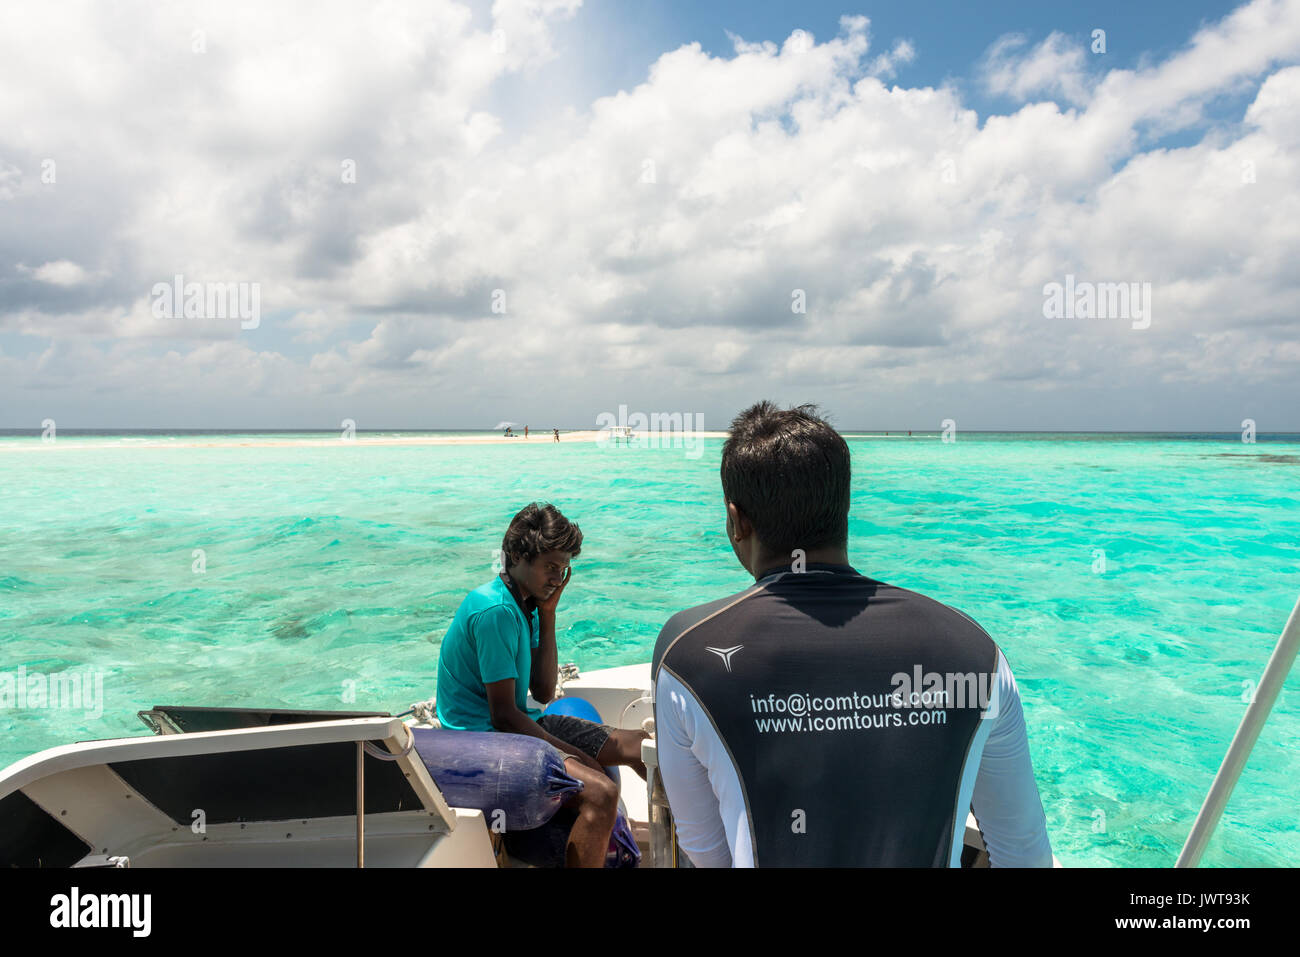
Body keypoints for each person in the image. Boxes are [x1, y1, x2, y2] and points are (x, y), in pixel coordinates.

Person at [652, 401, 1053, 867]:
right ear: (842, 509)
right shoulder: (973, 651)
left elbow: (707, 851)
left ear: (736, 520)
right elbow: (1023, 852)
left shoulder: (688, 653)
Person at [436, 502, 648, 866]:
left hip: (516, 723)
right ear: (517, 556)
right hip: (480, 740)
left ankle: (686, 839)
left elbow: (544, 693)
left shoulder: (525, 604)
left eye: (564, 569)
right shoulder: (496, 611)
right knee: (600, 792)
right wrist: (577, 757)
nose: (557, 577)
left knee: (637, 745)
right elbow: (502, 716)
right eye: (551, 566)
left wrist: (548, 615)